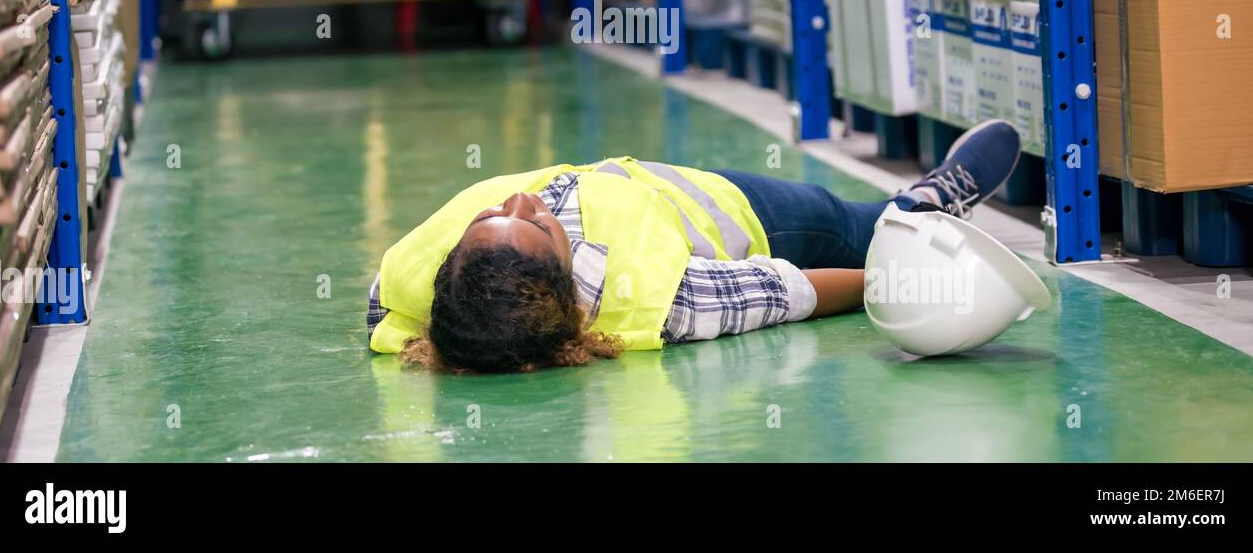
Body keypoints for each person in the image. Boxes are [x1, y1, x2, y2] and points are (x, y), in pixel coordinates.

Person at [368, 120, 1021, 373]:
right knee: (857, 229)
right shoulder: (662, 299)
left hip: (639, 175)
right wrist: (892, 272)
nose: (520, 201)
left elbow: (384, 312)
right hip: (741, 215)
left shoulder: (419, 285)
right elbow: (790, 291)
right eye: (534, 225)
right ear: (570, 284)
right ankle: (926, 201)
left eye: (492, 215)